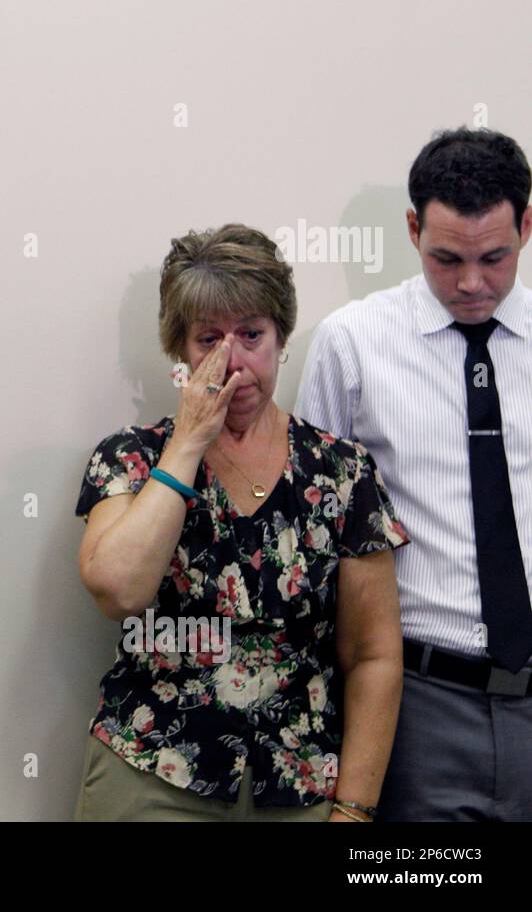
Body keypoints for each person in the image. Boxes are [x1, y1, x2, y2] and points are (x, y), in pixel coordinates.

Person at [74, 223, 406, 821]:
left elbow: (374, 654)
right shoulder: (132, 457)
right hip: (157, 767)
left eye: (252, 335)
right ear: (182, 351)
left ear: (280, 336)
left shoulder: (341, 472)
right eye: (209, 340)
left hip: (298, 782)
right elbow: (118, 591)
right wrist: (187, 445)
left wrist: (354, 810)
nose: (234, 361)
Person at [297, 127, 532, 821]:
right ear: (411, 228)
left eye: (495, 257)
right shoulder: (353, 344)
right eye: (445, 258)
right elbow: (319, 534)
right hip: (420, 702)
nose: (470, 283)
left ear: (527, 224)